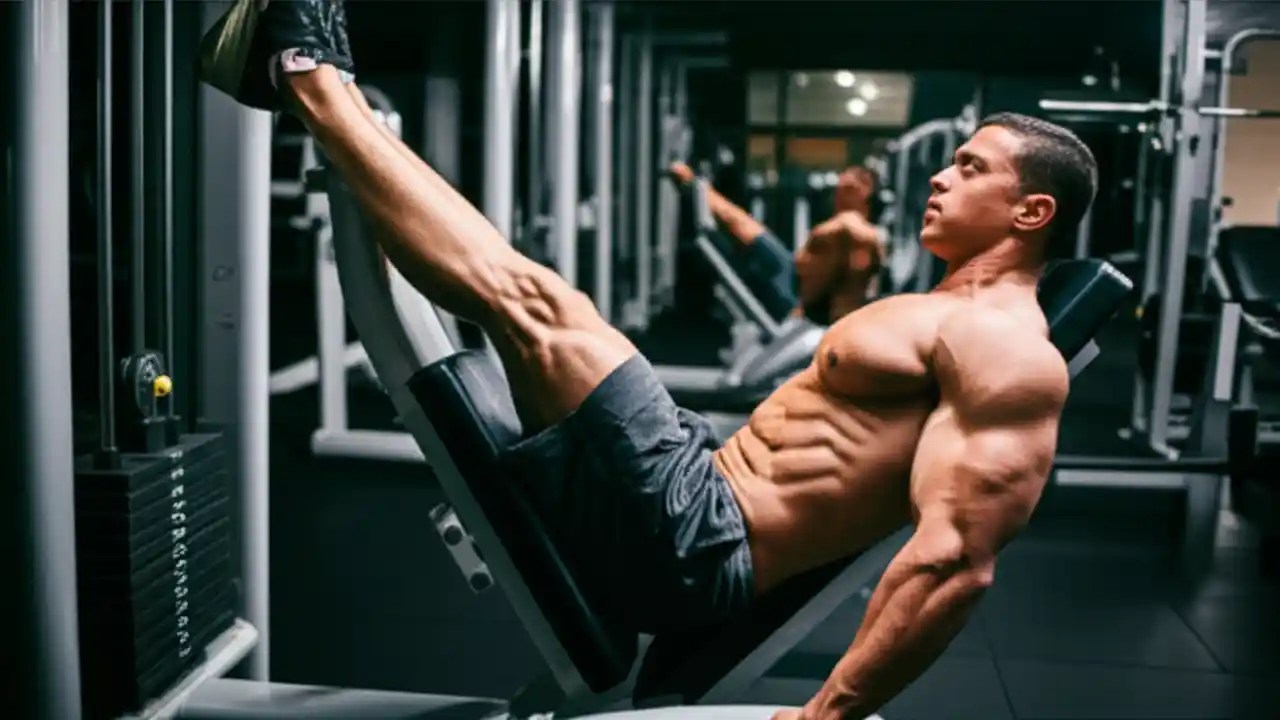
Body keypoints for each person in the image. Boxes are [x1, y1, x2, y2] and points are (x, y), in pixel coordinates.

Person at [199, 3, 1095, 717]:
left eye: (971, 170)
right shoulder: (947, 310)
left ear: (1031, 214)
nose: (940, 177)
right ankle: (315, 81)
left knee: (536, 304)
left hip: (698, 538)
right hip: (699, 485)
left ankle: (305, 75)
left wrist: (829, 714)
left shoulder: (1008, 350)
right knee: (530, 306)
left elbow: (954, 560)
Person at [668, 161, 885, 325]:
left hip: (799, 304)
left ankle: (693, 184)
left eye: (855, 178)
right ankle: (698, 188)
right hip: (795, 286)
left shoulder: (855, 229)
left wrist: (802, 312)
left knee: (753, 238)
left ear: (865, 191)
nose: (843, 179)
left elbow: (852, 286)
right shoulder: (846, 224)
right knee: (751, 236)